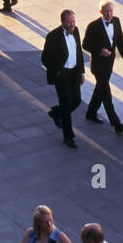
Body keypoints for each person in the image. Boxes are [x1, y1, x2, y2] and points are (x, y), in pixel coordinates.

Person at [82, 1, 123, 132]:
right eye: (106, 11)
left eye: (111, 11)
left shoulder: (116, 21)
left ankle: (91, 113)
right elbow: (85, 44)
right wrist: (100, 50)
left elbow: (120, 41)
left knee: (100, 89)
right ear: (101, 12)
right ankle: (116, 123)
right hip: (98, 66)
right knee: (106, 94)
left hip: (109, 65)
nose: (109, 14)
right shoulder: (93, 26)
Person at [42, 9, 85, 149]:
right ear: (62, 22)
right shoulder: (53, 36)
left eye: (73, 21)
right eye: (69, 22)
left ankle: (56, 113)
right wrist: (58, 71)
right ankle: (68, 136)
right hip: (62, 75)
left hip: (74, 73)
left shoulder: (76, 31)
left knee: (77, 100)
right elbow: (45, 58)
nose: (72, 24)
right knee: (66, 104)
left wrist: (82, 72)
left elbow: (79, 53)